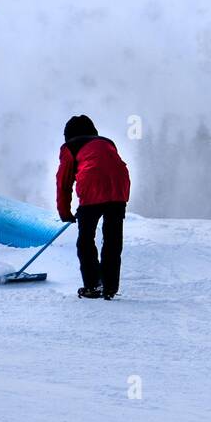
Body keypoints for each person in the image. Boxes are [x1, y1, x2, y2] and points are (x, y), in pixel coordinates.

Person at [57, 115, 131, 300]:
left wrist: (65, 213)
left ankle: (92, 286)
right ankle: (109, 287)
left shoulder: (69, 147)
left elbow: (63, 183)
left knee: (86, 240)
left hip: (92, 187)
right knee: (113, 240)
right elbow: (110, 166)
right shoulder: (107, 142)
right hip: (119, 188)